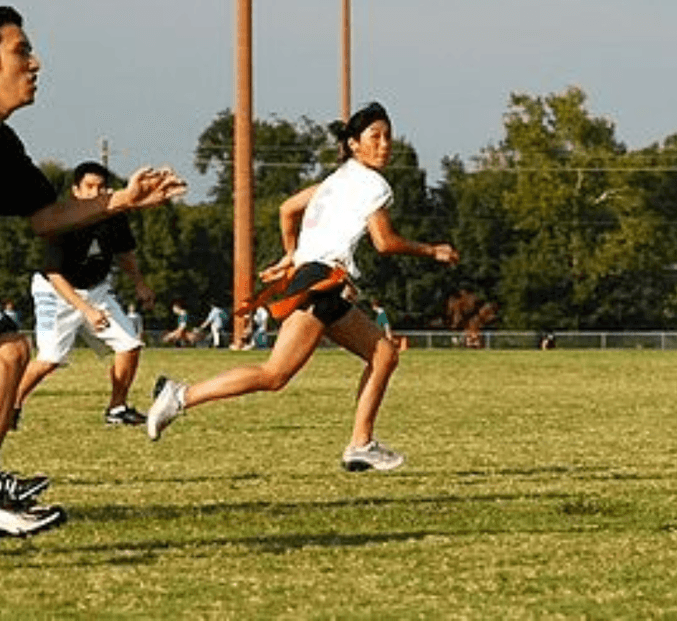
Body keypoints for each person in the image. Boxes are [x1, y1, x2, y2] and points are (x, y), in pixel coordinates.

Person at [147, 102, 459, 472]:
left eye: (388, 136)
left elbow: (287, 209)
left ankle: (361, 444)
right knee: (275, 374)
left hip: (320, 279)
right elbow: (384, 242)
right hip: (320, 281)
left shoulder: (336, 180)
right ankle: (181, 396)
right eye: (374, 137)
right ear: (354, 144)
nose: (384, 144)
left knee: (384, 355)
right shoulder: (373, 184)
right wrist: (432, 250)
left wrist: (293, 254)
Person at [0, 5, 184, 537]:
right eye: (21, 51)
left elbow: (46, 218)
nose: (35, 63)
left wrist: (123, 199)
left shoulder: (3, 145)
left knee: (10, 354)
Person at [14, 161, 157, 428]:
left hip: (96, 290)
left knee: (129, 345)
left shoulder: (115, 215)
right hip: (56, 291)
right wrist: (87, 310)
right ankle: (11, 405)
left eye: (101, 187)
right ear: (75, 191)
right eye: (89, 187)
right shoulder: (63, 219)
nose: (95, 193)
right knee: (50, 359)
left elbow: (125, 253)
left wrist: (140, 283)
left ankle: (117, 409)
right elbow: (54, 274)